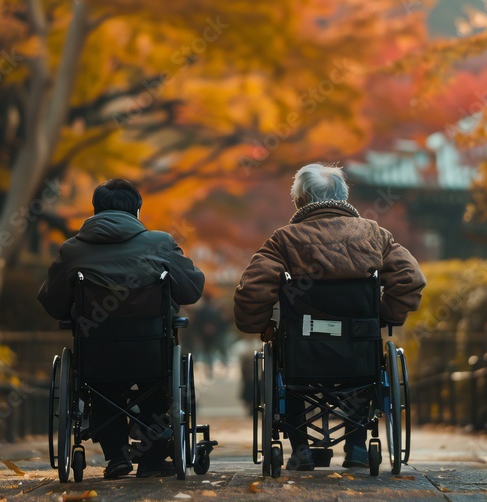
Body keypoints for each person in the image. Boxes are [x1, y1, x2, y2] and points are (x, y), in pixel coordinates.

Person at [233, 163, 426, 471]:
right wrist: (383, 315)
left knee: (287, 356)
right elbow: (410, 279)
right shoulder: (374, 234)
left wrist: (261, 326)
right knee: (362, 371)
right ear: (342, 196)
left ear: (300, 200)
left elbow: (251, 290)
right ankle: (357, 447)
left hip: (304, 352)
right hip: (358, 348)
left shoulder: (284, 240)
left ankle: (301, 450)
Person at [38, 179, 205, 479]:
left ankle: (116, 456)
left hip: (97, 352)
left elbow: (51, 303)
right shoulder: (160, 243)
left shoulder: (73, 250)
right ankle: (152, 458)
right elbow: (192, 291)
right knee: (158, 382)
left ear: (95, 211)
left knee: (100, 386)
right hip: (151, 350)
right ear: (137, 212)